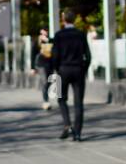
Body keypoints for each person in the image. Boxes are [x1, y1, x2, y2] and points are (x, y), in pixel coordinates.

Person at [49, 10, 91, 140]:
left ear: (63, 20)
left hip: (63, 70)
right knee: (79, 102)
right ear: (74, 19)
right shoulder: (81, 34)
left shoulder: (59, 35)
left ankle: (67, 124)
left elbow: (55, 56)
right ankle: (77, 133)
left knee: (61, 98)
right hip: (78, 70)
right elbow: (88, 56)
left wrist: (56, 68)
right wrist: (84, 69)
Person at [31, 27, 54, 110]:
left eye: (45, 33)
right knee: (44, 81)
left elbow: (55, 49)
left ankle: (46, 97)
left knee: (49, 82)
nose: (43, 35)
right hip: (40, 64)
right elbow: (33, 54)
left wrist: (47, 41)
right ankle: (46, 101)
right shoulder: (37, 42)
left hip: (50, 64)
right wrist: (32, 68)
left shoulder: (51, 40)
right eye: (42, 34)